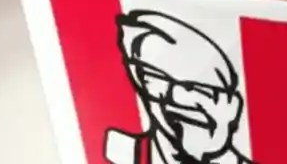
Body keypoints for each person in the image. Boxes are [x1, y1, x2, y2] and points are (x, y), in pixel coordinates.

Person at [105, 10, 252, 164]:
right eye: (157, 81)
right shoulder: (120, 154)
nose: (176, 99)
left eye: (196, 89)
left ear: (232, 105)